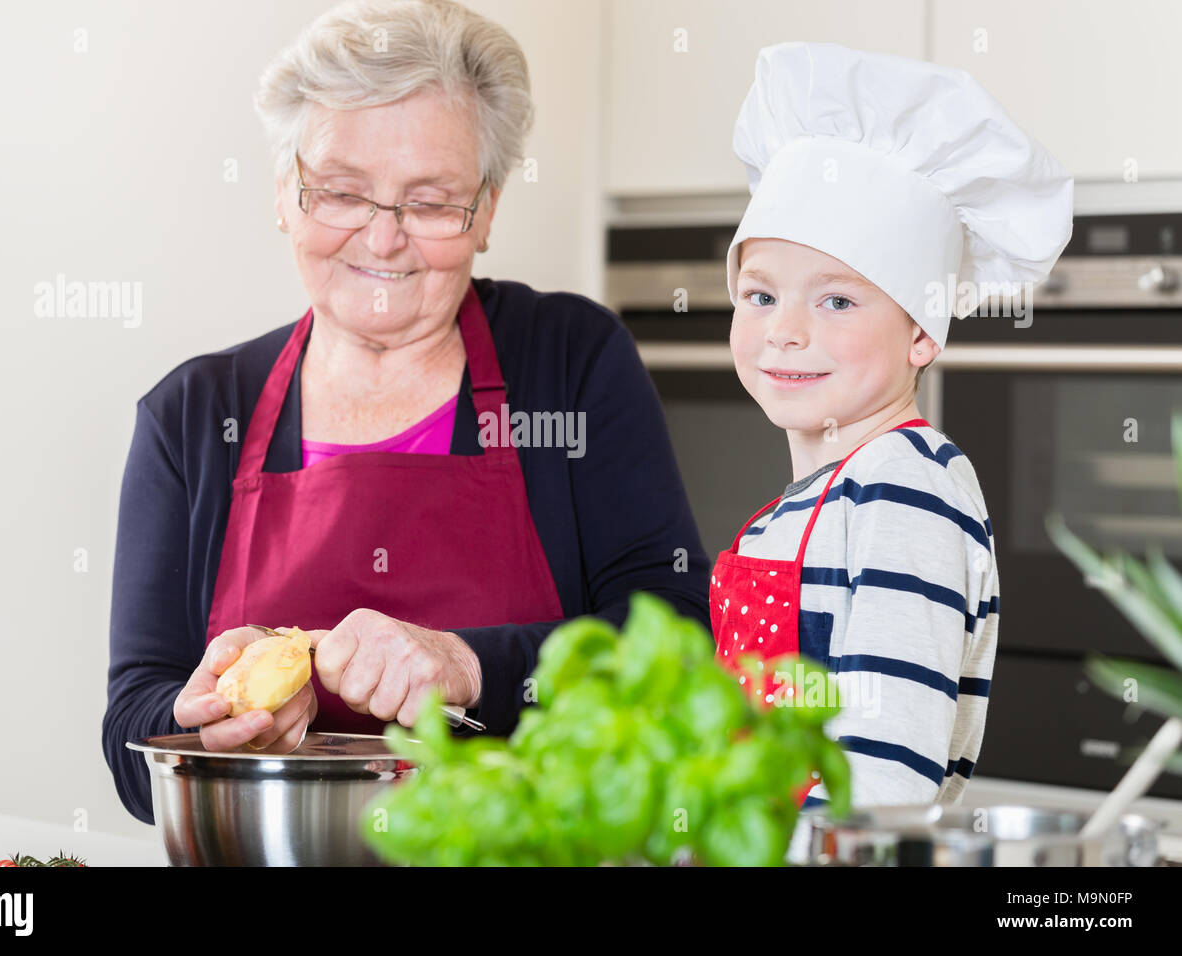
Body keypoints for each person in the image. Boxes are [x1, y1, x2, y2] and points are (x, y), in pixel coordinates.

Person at [102, 0, 709, 825]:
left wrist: (469, 668)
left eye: (430, 202)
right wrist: (206, 720)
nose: (383, 240)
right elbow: (133, 741)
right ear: (286, 192)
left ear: (487, 209)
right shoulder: (192, 418)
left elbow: (677, 645)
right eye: (343, 192)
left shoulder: (569, 362)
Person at [710, 41, 1073, 809]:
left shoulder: (905, 486)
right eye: (760, 294)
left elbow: (884, 778)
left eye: (836, 300)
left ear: (922, 333)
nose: (785, 330)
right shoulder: (799, 507)